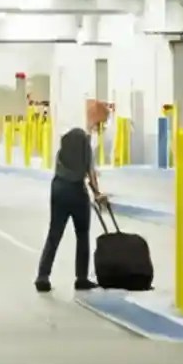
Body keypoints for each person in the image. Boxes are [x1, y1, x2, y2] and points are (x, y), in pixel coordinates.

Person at [35, 100, 109, 293]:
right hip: (76, 191)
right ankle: (81, 278)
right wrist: (97, 193)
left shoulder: (65, 144)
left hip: (58, 187)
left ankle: (42, 276)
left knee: (54, 234)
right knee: (82, 235)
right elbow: (90, 173)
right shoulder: (85, 143)